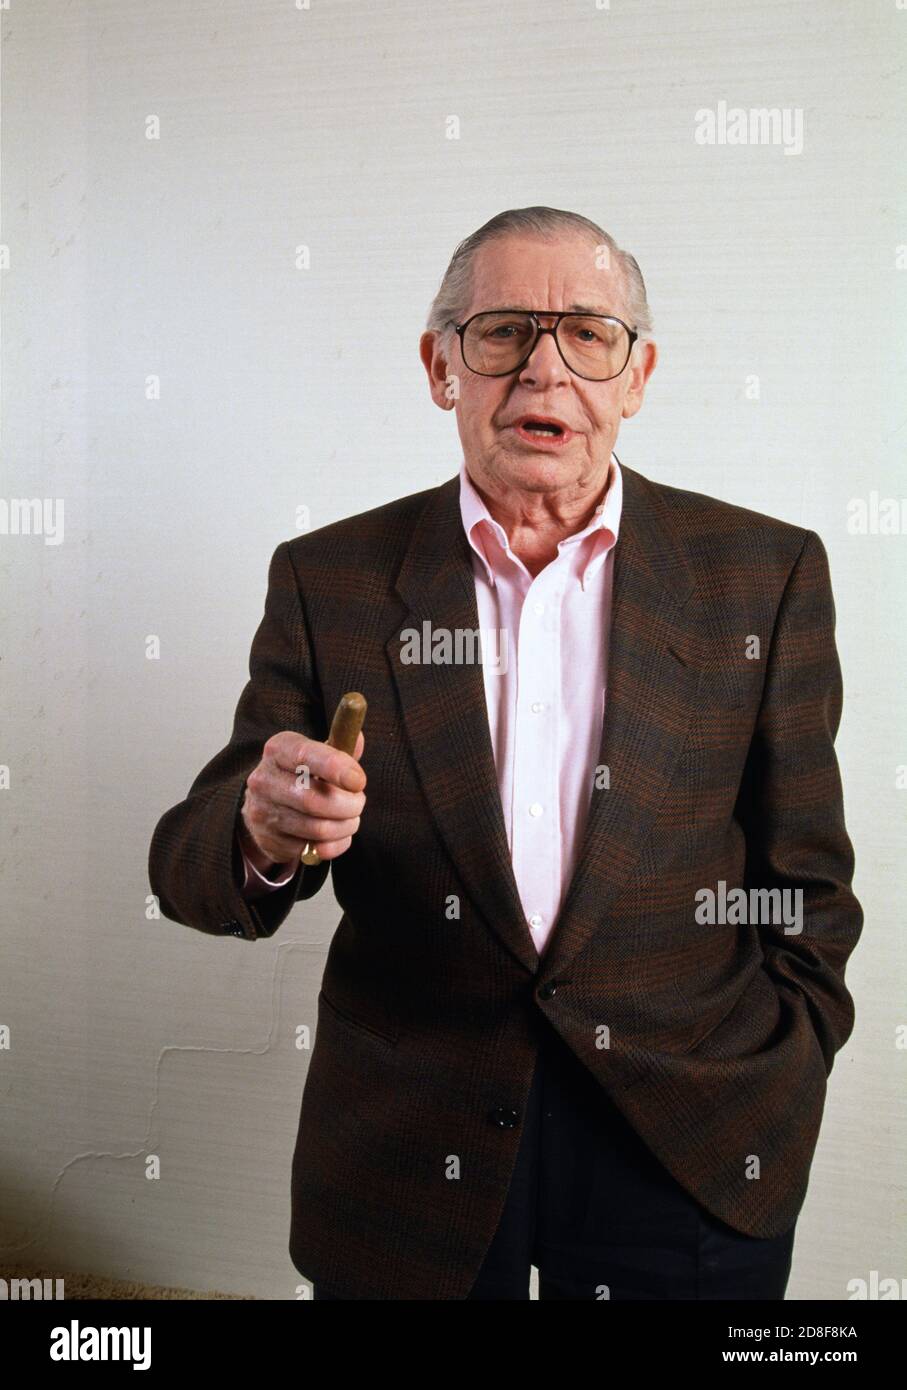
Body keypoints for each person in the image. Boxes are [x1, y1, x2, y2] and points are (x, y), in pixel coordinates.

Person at [148, 206, 863, 1300]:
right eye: (501, 333)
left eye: (587, 333)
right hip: (409, 1150)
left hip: (690, 1135)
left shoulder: (763, 574)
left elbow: (806, 885)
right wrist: (260, 835)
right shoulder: (325, 577)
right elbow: (190, 870)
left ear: (638, 374)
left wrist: (787, 1057)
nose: (544, 370)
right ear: (441, 367)